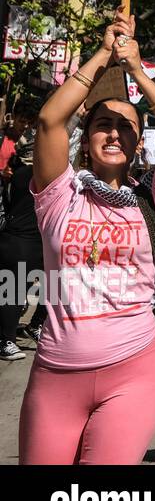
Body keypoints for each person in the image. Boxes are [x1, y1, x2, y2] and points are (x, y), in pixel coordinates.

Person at [21, 10, 155, 464]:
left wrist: (137, 70)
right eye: (103, 124)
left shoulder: (154, 200)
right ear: (87, 139)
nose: (114, 133)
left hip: (135, 370)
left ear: (139, 144)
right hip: (56, 372)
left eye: (126, 128)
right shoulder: (59, 194)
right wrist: (103, 54)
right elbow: (48, 122)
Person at [0, 99, 45, 359]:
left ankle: (31, 326)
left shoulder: (20, 172)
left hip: (32, 241)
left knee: (53, 287)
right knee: (13, 292)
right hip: (18, 240)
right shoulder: (25, 174)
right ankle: (5, 340)